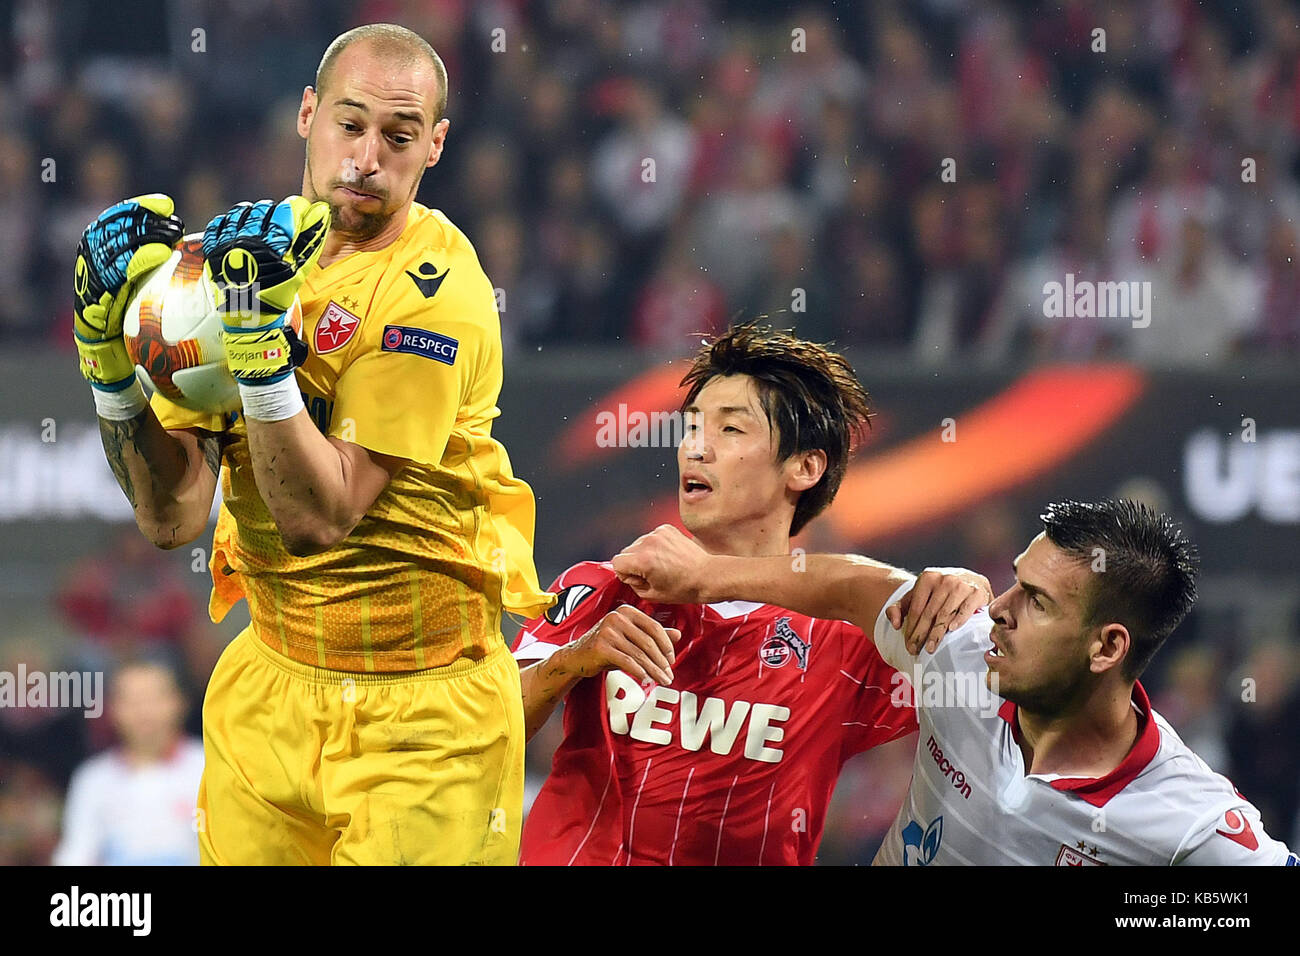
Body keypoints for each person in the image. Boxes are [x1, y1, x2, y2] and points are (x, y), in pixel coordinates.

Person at [70, 23, 552, 865]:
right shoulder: (235, 257)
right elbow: (173, 515)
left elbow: (320, 518)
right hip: (271, 683)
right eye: (349, 123)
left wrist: (259, 357)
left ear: (435, 145)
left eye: (399, 136)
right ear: (306, 115)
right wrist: (109, 372)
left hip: (423, 716)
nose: (367, 157)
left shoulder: (437, 292)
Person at [511, 324, 992, 865]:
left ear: (805, 467)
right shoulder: (604, 588)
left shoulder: (846, 643)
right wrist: (578, 658)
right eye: (691, 428)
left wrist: (968, 596)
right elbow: (489, 723)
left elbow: (997, 686)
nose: (695, 447)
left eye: (731, 430)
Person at [616, 499, 1298, 865]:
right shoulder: (966, 659)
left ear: (1107, 648)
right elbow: (857, 587)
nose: (997, 608)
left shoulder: (1192, 822)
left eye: (1036, 601)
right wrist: (709, 577)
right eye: (1014, 582)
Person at [53, 658, 205, 866]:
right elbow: (76, 854)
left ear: (179, 702)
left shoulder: (208, 768)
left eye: (154, 698)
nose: (143, 711)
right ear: (113, 709)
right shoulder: (92, 779)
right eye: (131, 701)